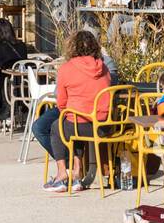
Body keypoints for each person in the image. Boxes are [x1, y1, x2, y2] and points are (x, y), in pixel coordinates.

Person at [40, 30, 112, 193]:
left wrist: (68, 113)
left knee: (57, 127)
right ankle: (77, 174)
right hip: (104, 126)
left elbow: (62, 103)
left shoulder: (67, 68)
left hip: (81, 124)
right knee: (73, 122)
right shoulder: (104, 67)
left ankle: (61, 175)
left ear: (72, 47)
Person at [0, 19, 29, 129]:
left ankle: (4, 118)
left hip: (6, 83)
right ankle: (17, 117)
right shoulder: (22, 45)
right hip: (22, 83)